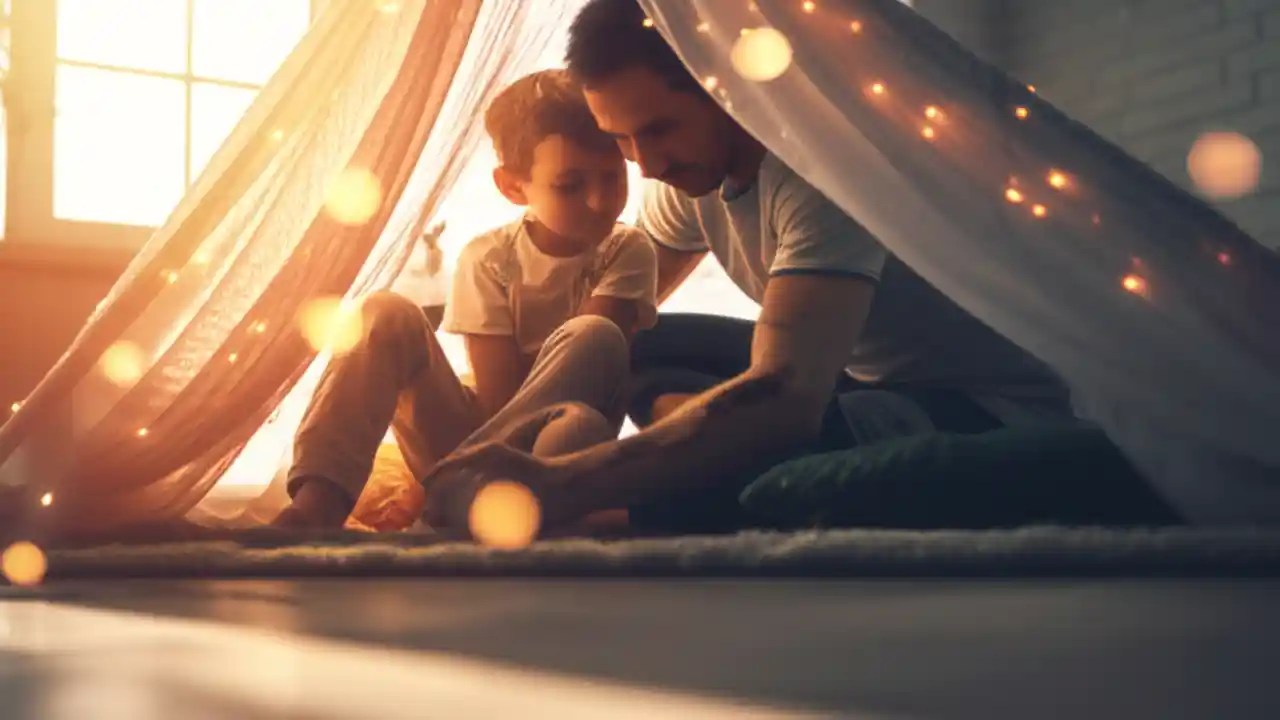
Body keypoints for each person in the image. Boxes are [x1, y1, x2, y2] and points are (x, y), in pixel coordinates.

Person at [419, 0, 1077, 533]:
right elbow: (599, 330)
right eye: (622, 140)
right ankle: (679, 459)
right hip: (850, 385)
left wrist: (562, 481)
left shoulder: (822, 171)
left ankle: (649, 487)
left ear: (724, 89)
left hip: (967, 406)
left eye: (660, 130)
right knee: (627, 339)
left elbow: (788, 395)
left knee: (776, 467)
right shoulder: (685, 181)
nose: (647, 165)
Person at [273, 68, 657, 529]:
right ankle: (317, 505)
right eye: (570, 185)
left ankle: (458, 506)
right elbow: (499, 402)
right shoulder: (489, 258)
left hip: (554, 457)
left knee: (591, 358)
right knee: (383, 312)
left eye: (612, 178)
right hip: (471, 445)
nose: (598, 201)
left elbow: (587, 376)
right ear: (513, 187)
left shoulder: (628, 249)